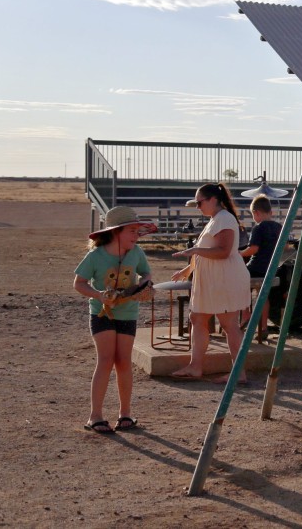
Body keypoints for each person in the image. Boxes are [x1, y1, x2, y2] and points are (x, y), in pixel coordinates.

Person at [73, 206, 157, 434]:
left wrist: (143, 285)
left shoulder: (136, 252)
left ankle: (125, 414)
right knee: (106, 359)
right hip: (102, 313)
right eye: (132, 230)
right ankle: (95, 416)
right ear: (116, 232)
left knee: (123, 361)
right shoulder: (96, 256)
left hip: (128, 312)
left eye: (137, 231)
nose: (136, 235)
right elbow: (79, 283)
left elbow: (146, 273)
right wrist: (99, 295)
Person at [170, 183, 252, 382]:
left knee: (229, 324)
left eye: (200, 202)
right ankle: (195, 366)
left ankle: (238, 372)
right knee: (197, 318)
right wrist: (188, 269)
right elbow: (206, 250)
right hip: (214, 279)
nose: (198, 207)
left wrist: (195, 252)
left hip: (224, 278)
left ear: (213, 199)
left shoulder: (224, 218)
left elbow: (223, 251)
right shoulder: (216, 219)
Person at [240, 195, 283, 342]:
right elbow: (286, 247)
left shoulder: (259, 228)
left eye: (253, 215)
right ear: (270, 211)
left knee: (238, 283)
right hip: (269, 268)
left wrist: (239, 253)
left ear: (256, 212)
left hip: (255, 266)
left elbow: (253, 249)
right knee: (263, 296)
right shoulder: (278, 227)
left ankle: (246, 315)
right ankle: (264, 327)